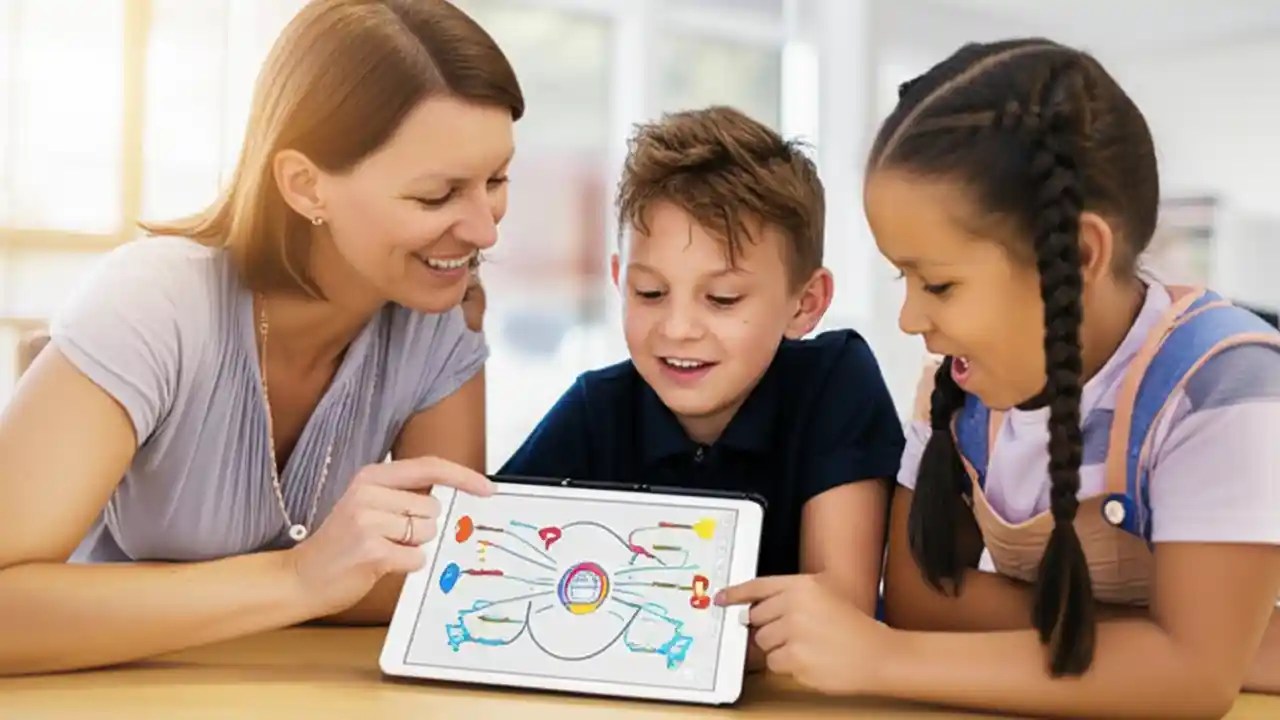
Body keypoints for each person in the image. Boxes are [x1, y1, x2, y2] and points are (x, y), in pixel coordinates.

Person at [716, 38, 1280, 717]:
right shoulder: (957, 384)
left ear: (1078, 254)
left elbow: (1192, 683)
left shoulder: (1224, 386)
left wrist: (884, 657)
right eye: (902, 278)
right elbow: (923, 602)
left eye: (939, 284)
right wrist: (1157, 641)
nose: (909, 318)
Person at [0, 0, 522, 675]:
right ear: (305, 186)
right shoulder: (156, 304)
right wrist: (300, 578)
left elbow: (437, 574)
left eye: (496, 180)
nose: (485, 229)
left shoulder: (437, 319)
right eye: (436, 196)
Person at [500, 106, 904, 633]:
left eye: (722, 298)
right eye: (650, 293)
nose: (678, 328)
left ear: (805, 304)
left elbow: (836, 614)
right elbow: (495, 558)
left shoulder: (835, 381)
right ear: (620, 281)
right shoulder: (597, 408)